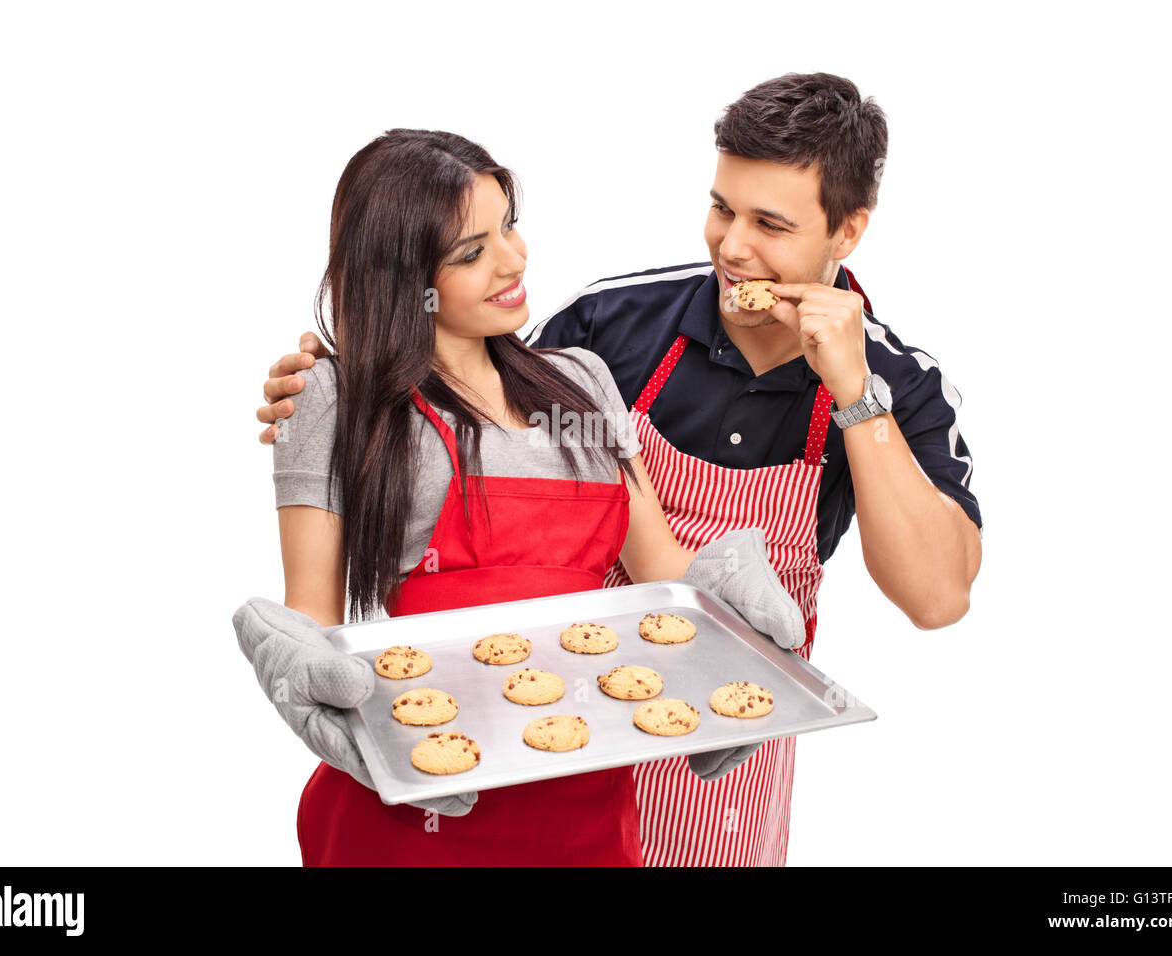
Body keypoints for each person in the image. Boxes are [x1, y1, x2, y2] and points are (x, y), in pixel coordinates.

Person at [255, 74, 984, 867]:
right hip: (462, 789)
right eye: (723, 208)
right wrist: (334, 390)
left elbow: (928, 598)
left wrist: (851, 398)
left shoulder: (889, 382)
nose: (734, 247)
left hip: (668, 766)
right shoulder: (605, 331)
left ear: (848, 232)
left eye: (770, 223)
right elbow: (330, 606)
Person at [234, 128, 814, 866]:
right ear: (403, 277)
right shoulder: (333, 398)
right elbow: (314, 620)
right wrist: (295, 668)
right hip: (414, 813)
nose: (513, 259)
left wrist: (731, 606)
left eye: (508, 225)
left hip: (586, 807)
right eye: (472, 252)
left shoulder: (582, 383)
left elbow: (664, 571)